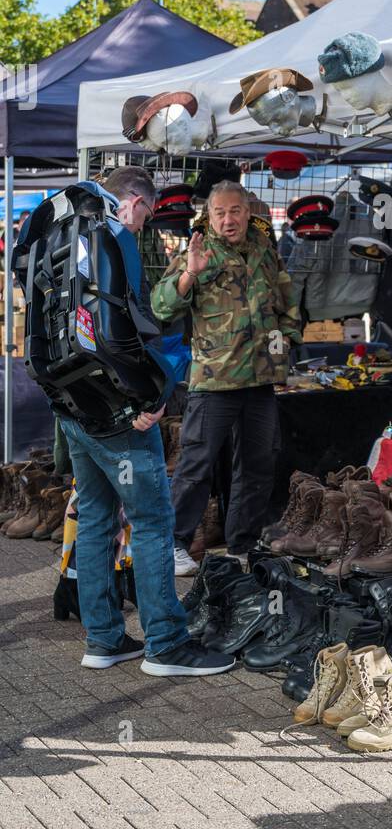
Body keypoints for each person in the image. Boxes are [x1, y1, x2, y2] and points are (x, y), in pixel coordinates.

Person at [57, 167, 236, 676]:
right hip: (116, 412)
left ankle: (105, 639)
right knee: (154, 521)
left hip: (73, 404)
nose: (145, 224)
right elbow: (122, 331)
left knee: (95, 518)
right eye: (148, 213)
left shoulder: (70, 238)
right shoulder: (116, 239)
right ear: (134, 202)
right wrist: (146, 398)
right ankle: (166, 644)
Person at [151, 180, 301, 573]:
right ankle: (175, 544)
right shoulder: (199, 251)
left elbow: (288, 302)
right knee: (196, 465)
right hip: (214, 379)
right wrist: (189, 275)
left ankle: (243, 545)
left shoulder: (265, 250)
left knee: (257, 465)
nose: (228, 219)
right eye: (219, 213)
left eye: (235, 211)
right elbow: (162, 306)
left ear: (247, 212)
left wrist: (285, 344)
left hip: (261, 380)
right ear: (210, 216)